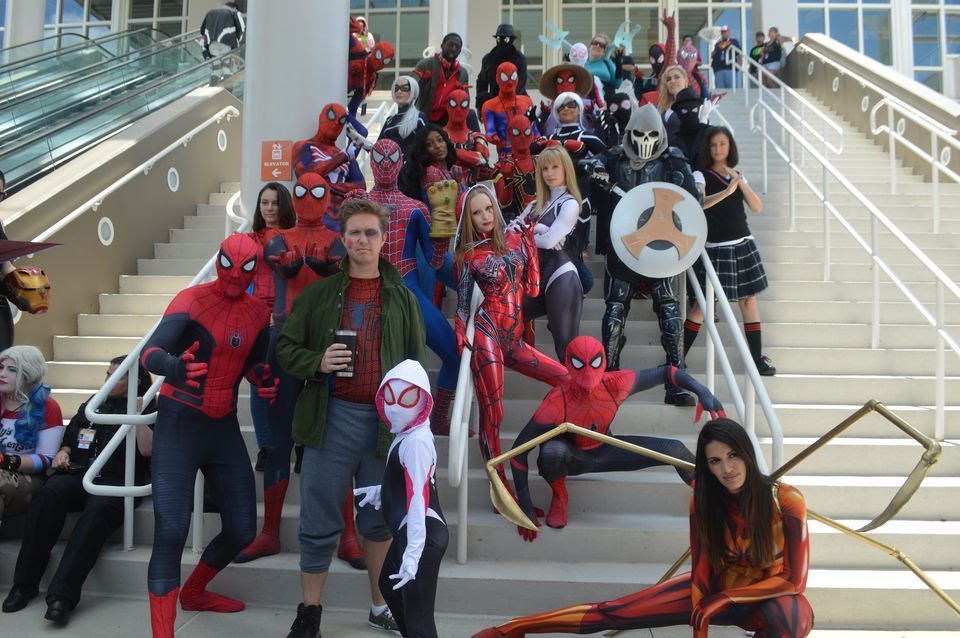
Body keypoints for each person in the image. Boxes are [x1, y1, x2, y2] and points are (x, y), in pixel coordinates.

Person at [473, 418, 814, 638]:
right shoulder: (704, 502)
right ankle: (512, 629)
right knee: (612, 613)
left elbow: (793, 581)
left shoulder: (786, 501)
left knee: (794, 617)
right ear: (706, 466)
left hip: (767, 597)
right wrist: (704, 620)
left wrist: (725, 598)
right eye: (714, 461)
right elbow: (703, 575)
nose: (727, 468)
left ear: (747, 454)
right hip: (713, 591)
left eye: (733, 456)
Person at [277, 197, 426, 638]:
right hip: (330, 419)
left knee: (378, 523)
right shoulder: (320, 294)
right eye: (355, 233)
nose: (363, 240)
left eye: (371, 233)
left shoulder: (402, 297)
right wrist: (317, 362)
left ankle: (380, 606)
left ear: (384, 240)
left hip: (383, 428)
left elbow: (416, 366)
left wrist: (415, 428)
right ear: (343, 239)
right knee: (318, 519)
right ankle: (309, 614)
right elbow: (285, 347)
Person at [142, 234, 277, 638]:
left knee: (241, 529)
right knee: (170, 530)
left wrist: (262, 378)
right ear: (217, 260)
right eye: (228, 264)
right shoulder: (191, 299)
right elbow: (151, 352)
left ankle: (195, 590)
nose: (236, 275)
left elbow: (251, 362)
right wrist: (174, 366)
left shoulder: (258, 312)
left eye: (246, 267)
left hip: (221, 425)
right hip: (179, 421)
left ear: (256, 268)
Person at [509, 335, 722, 539]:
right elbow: (518, 452)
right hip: (572, 458)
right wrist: (525, 507)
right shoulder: (556, 400)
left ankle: (716, 496)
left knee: (674, 449)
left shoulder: (616, 383)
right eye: (579, 365)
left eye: (593, 364)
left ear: (602, 362)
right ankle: (559, 494)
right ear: (568, 363)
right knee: (552, 451)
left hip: (606, 449)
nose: (587, 376)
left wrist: (702, 391)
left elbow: (667, 372)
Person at [3, 357, 154, 625]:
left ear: (136, 383)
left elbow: (148, 451)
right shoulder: (96, 401)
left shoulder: (151, 405)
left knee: (96, 514)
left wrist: (139, 416)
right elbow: (72, 437)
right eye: (106, 374)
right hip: (80, 472)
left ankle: (62, 596)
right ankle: (24, 584)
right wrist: (63, 452)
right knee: (49, 494)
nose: (107, 381)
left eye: (115, 376)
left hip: (116, 480)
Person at [582, 103, 701, 406]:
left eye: (650, 134)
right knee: (615, 309)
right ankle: (608, 377)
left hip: (661, 245)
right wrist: (596, 170)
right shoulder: (615, 156)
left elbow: (691, 197)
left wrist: (681, 184)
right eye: (639, 134)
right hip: (624, 243)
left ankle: (676, 381)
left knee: (670, 312)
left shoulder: (672, 158)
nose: (645, 140)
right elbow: (592, 162)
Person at [453, 184, 567, 496]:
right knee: (494, 414)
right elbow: (463, 305)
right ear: (468, 219)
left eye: (488, 208)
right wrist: (460, 331)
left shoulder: (515, 241)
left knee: (566, 380)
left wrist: (530, 243)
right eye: (477, 213)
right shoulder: (467, 255)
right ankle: (500, 489)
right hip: (488, 334)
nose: (485, 216)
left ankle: (547, 445)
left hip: (514, 338)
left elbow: (532, 290)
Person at [361, 138, 458, 434]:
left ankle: (439, 417)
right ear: (371, 162)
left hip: (408, 290)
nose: (386, 165)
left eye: (392, 158)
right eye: (380, 158)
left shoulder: (414, 209)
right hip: (366, 292)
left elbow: (433, 259)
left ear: (402, 161)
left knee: (453, 352)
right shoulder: (359, 204)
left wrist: (442, 236)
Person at [355, 360, 448, 638]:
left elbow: (419, 498)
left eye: (407, 399)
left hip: (422, 537)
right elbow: (405, 482)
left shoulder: (417, 442)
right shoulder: (407, 435)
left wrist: (413, 554)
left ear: (423, 402)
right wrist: (382, 493)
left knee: (420, 620)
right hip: (411, 534)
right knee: (388, 585)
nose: (396, 406)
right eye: (391, 397)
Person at [684, 127, 776, 376]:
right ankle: (676, 358)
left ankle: (756, 359)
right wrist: (727, 192)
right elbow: (698, 204)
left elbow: (757, 206)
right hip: (716, 247)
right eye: (713, 145)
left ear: (730, 146)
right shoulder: (700, 175)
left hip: (743, 242)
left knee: (749, 301)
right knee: (701, 307)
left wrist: (738, 182)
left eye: (722, 144)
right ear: (707, 148)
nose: (717, 150)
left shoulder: (736, 174)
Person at [518, 147, 584, 361]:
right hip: (534, 279)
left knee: (565, 349)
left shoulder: (571, 203)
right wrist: (540, 230)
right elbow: (510, 235)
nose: (549, 172)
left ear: (566, 169)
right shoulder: (534, 204)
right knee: (505, 317)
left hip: (561, 276)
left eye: (555, 166)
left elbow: (549, 241)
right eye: (545, 168)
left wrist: (532, 232)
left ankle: (578, 394)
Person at [247, 182, 296, 471]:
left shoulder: (295, 237)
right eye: (264, 203)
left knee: (294, 384)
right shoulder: (250, 238)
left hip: (288, 318)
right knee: (258, 383)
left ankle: (298, 444)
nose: (269, 208)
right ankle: (266, 446)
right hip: (256, 318)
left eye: (275, 203)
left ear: (284, 205)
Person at [0, 345, 62, 520]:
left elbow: (46, 459)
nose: (3, 374)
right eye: (1, 367)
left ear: (28, 374)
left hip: (28, 476)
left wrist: (5, 461)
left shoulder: (48, 407)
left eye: (12, 370)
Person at [413, 33, 469, 126]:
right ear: (442, 46)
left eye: (457, 47)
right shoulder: (426, 64)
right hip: (425, 116)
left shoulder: (462, 73)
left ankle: (477, 139)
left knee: (471, 114)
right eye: (450, 45)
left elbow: (466, 100)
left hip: (448, 118)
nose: (454, 48)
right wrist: (422, 81)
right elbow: (411, 87)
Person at [476, 24, 528, 111]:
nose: (502, 42)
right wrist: (480, 106)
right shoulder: (488, 58)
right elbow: (482, 82)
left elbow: (520, 84)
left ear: (511, 40)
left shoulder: (520, 59)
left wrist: (509, 101)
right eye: (499, 39)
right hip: (494, 102)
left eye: (506, 39)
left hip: (516, 102)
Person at [378, 75, 427, 160]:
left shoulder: (419, 118)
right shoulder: (389, 120)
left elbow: (425, 148)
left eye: (405, 88)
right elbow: (378, 148)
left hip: (412, 170)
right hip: (390, 169)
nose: (399, 92)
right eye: (396, 88)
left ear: (414, 93)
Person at [584, 33, 618, 100]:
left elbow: (617, 84)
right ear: (590, 46)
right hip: (586, 102)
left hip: (606, 102)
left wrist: (619, 64)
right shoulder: (581, 62)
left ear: (604, 51)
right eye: (595, 43)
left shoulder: (608, 64)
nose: (598, 46)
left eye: (602, 45)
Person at [711, 25, 740, 90]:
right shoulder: (717, 44)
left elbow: (739, 53)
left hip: (730, 69)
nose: (724, 34)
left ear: (729, 32)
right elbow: (714, 55)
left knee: (732, 90)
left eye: (726, 32)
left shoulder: (733, 42)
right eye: (723, 32)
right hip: (718, 70)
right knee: (720, 91)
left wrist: (739, 65)